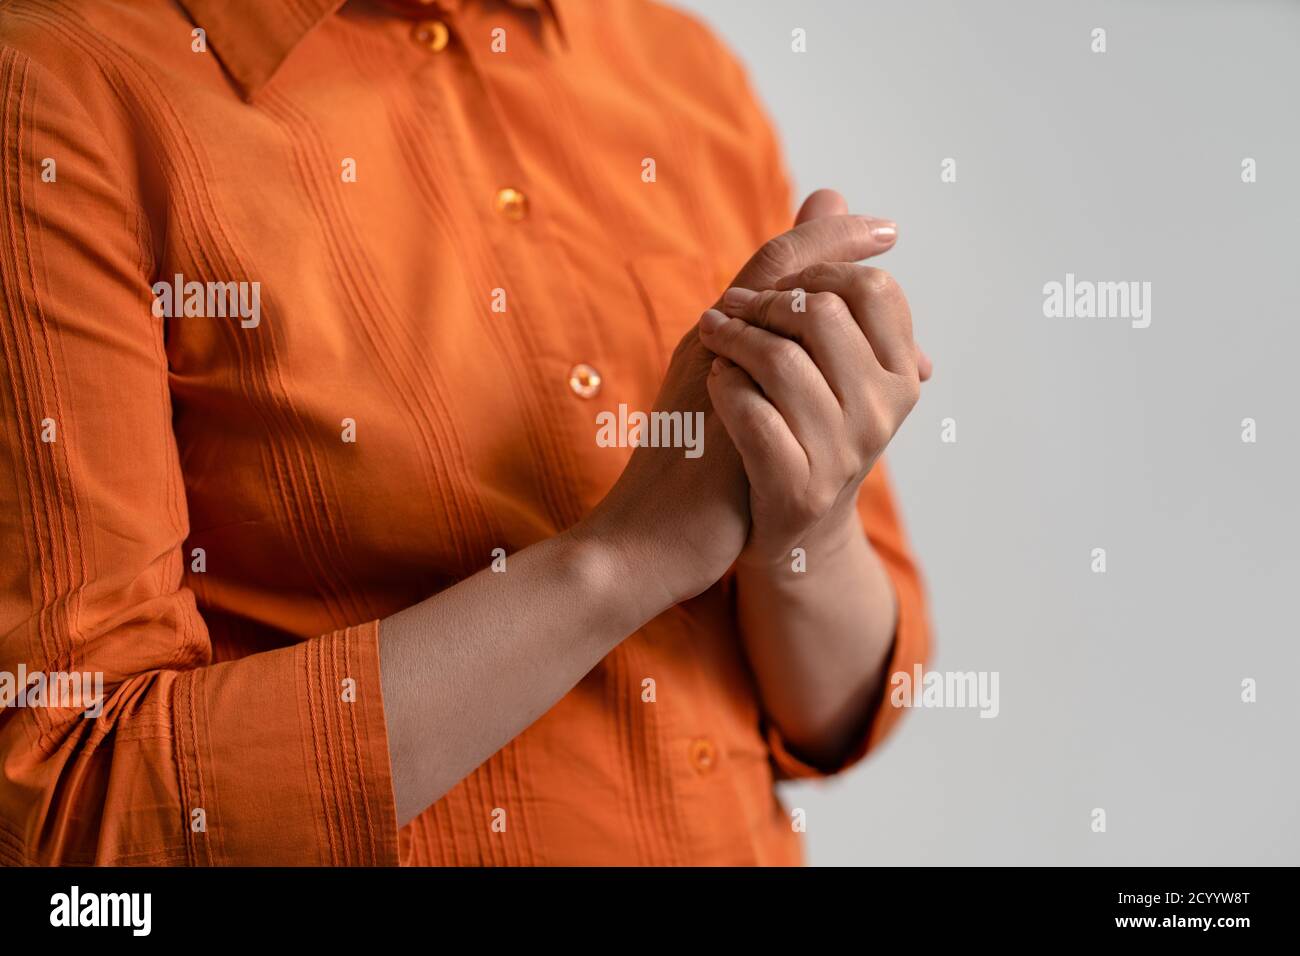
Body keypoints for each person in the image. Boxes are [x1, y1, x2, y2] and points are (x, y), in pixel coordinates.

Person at [0, 0, 930, 865]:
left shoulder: (681, 66)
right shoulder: (60, 80)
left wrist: (808, 523)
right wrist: (623, 561)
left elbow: (846, 709)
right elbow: (67, 802)